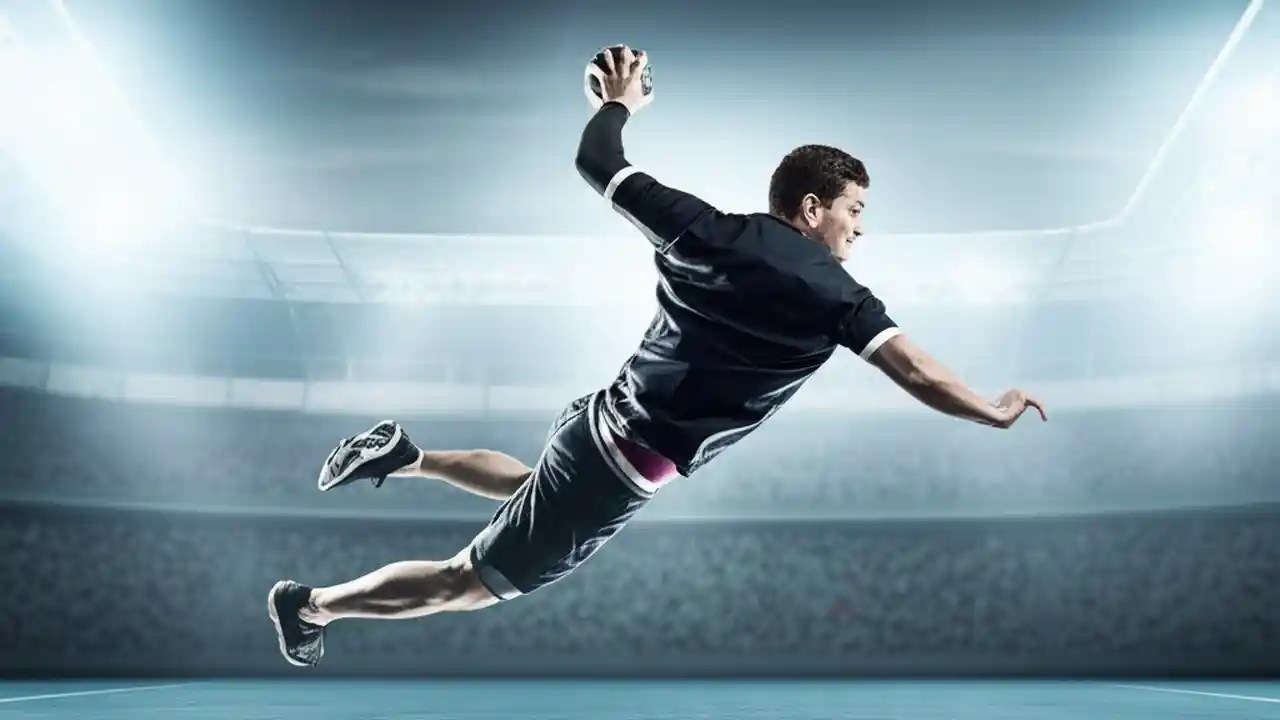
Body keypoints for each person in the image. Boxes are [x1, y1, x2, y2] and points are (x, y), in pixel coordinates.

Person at [267, 45, 1048, 667]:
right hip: (621, 465)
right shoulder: (838, 296)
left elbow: (598, 162)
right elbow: (915, 370)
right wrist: (990, 407)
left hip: (596, 421)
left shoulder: (705, 229)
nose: (860, 228)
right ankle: (310, 605)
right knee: (464, 584)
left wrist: (616, 102)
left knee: (537, 489)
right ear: (812, 208)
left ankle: (410, 457)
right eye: (855, 210)